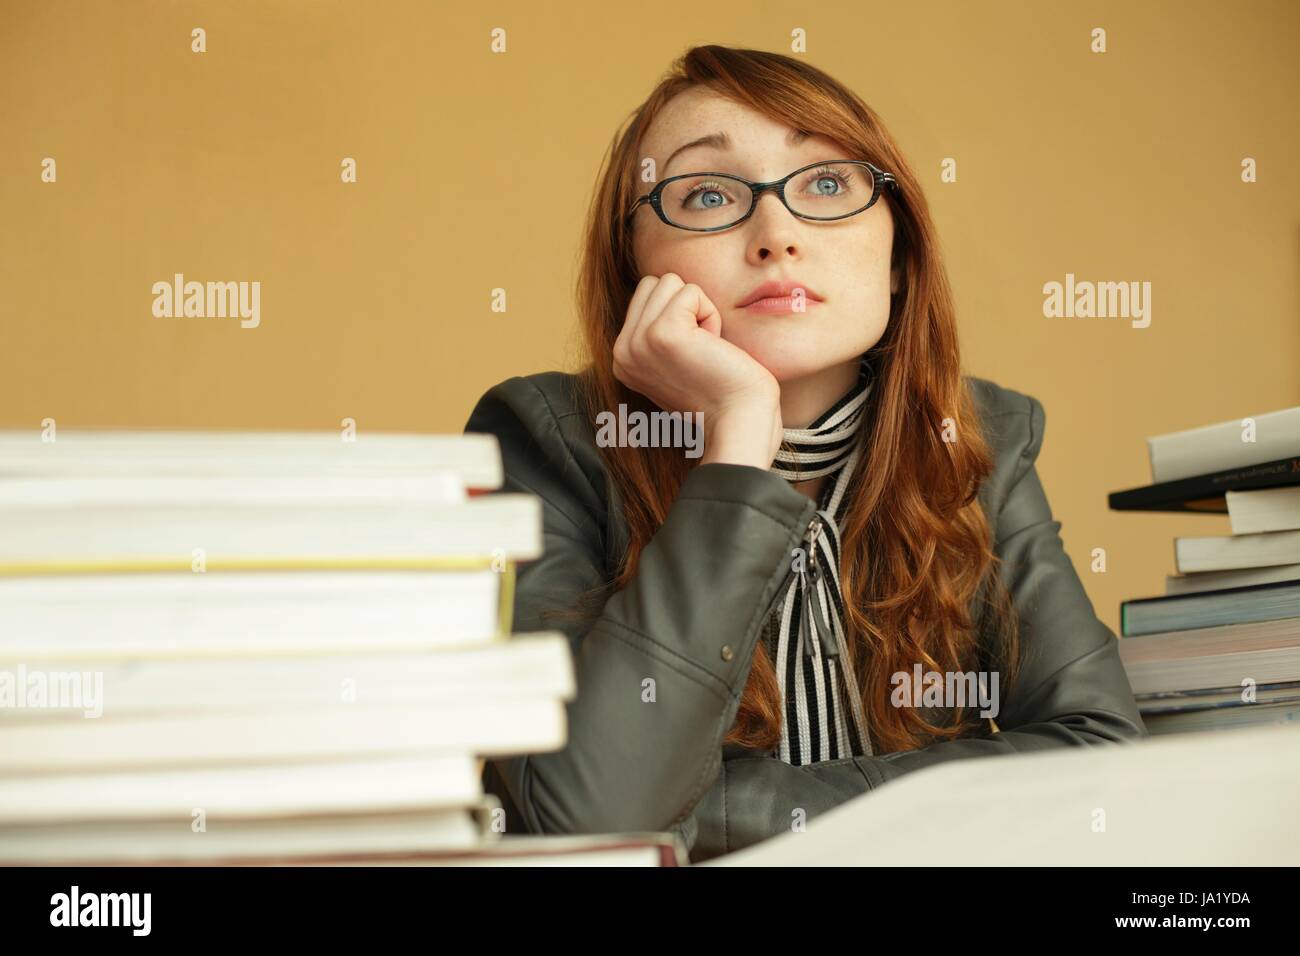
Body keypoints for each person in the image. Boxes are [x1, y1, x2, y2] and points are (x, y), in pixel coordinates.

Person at [464, 44, 1147, 863]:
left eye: (826, 183)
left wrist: (726, 813)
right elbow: (599, 821)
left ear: (898, 258)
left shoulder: (982, 439)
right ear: (635, 270)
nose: (776, 234)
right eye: (708, 194)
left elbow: (1101, 757)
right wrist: (739, 435)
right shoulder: (544, 440)